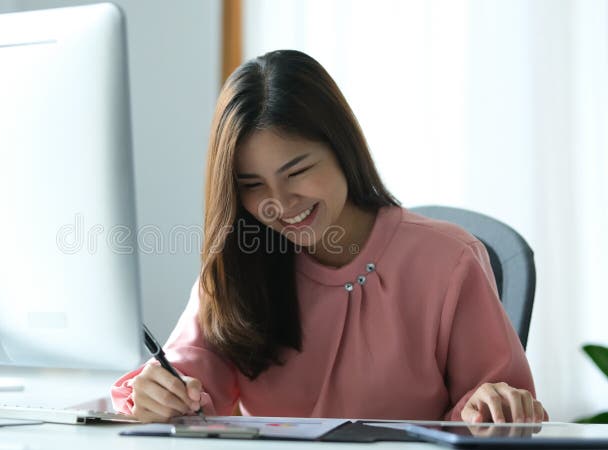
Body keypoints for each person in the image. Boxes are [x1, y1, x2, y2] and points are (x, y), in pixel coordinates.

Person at [111, 50, 547, 424]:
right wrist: (157, 395)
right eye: (251, 184)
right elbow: (187, 378)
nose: (278, 203)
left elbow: (500, 406)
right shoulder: (239, 264)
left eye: (297, 171)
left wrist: (490, 408)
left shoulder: (450, 260)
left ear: (342, 148)